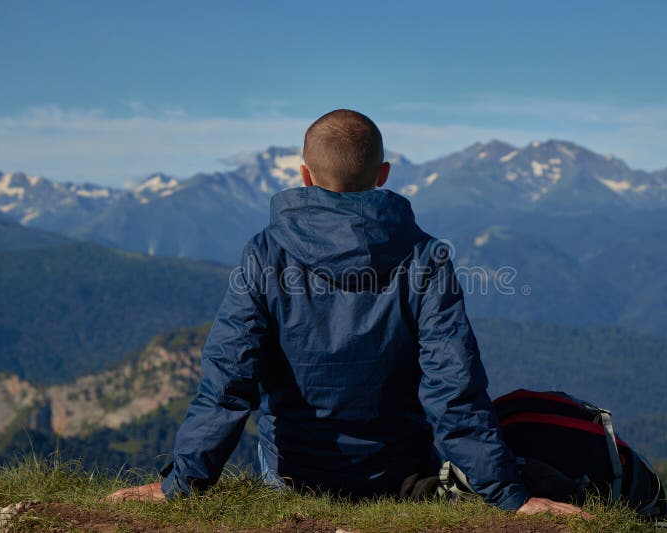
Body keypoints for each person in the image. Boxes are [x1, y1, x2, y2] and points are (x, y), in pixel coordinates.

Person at [106, 109, 584, 517]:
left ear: (305, 175)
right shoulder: (426, 258)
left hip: (294, 476)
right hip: (400, 476)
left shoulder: (264, 255)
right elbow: (453, 386)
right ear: (383, 175)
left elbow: (228, 382)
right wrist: (506, 494)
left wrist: (181, 484)